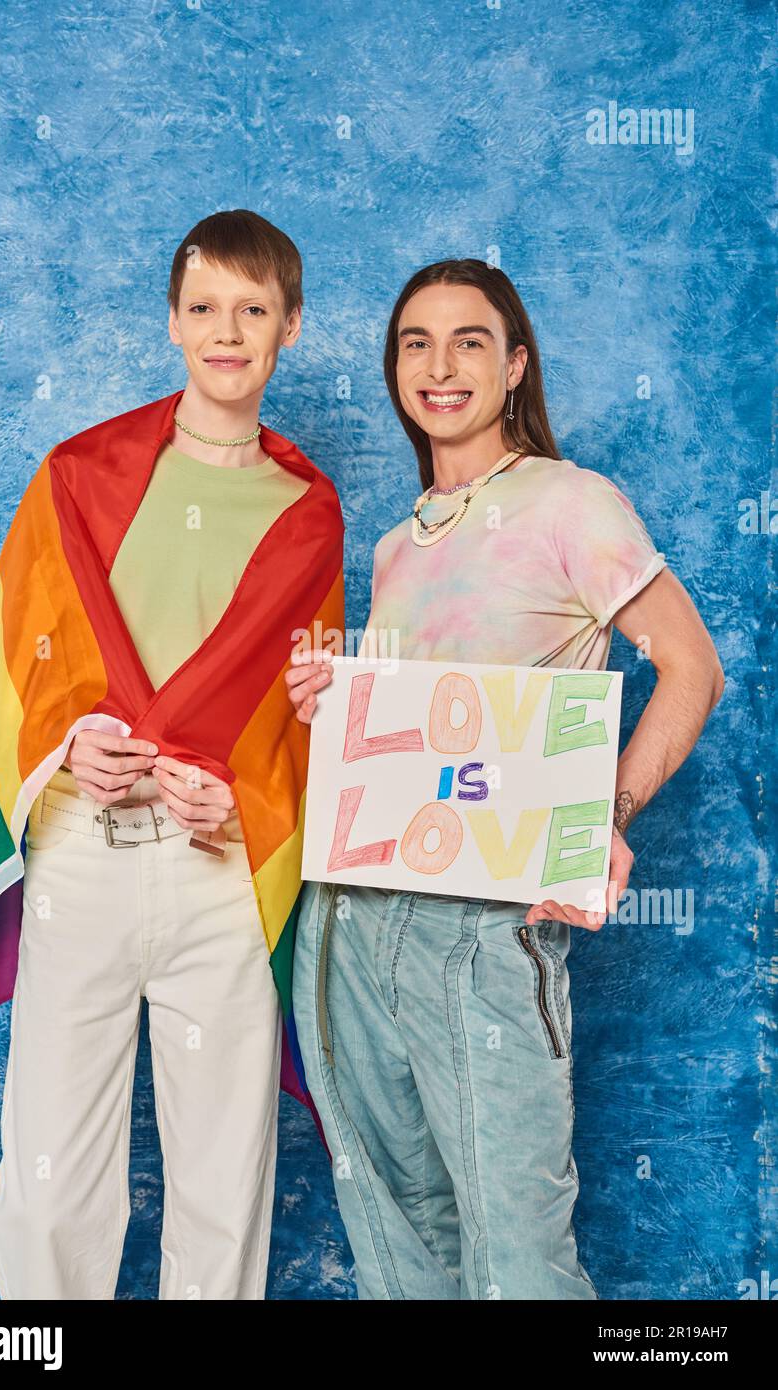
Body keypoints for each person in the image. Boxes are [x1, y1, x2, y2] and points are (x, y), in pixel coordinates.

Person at [286, 259, 724, 1300]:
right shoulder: (398, 543)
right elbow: (433, 733)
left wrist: (598, 817)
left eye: (470, 341)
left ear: (515, 363)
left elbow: (694, 669)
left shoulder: (572, 503)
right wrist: (338, 704)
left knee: (515, 1252)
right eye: (416, 344)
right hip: (353, 916)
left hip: (485, 924)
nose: (441, 367)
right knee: (402, 1239)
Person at [0, 209, 345, 1299]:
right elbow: (12, 664)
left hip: (220, 869)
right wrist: (68, 738)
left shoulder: (313, 516)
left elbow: (302, 723)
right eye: (207, 308)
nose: (230, 332)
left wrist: (239, 805)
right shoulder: (76, 475)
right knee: (46, 1186)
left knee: (225, 1185)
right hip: (83, 848)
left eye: (255, 310)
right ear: (172, 321)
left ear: (291, 327)